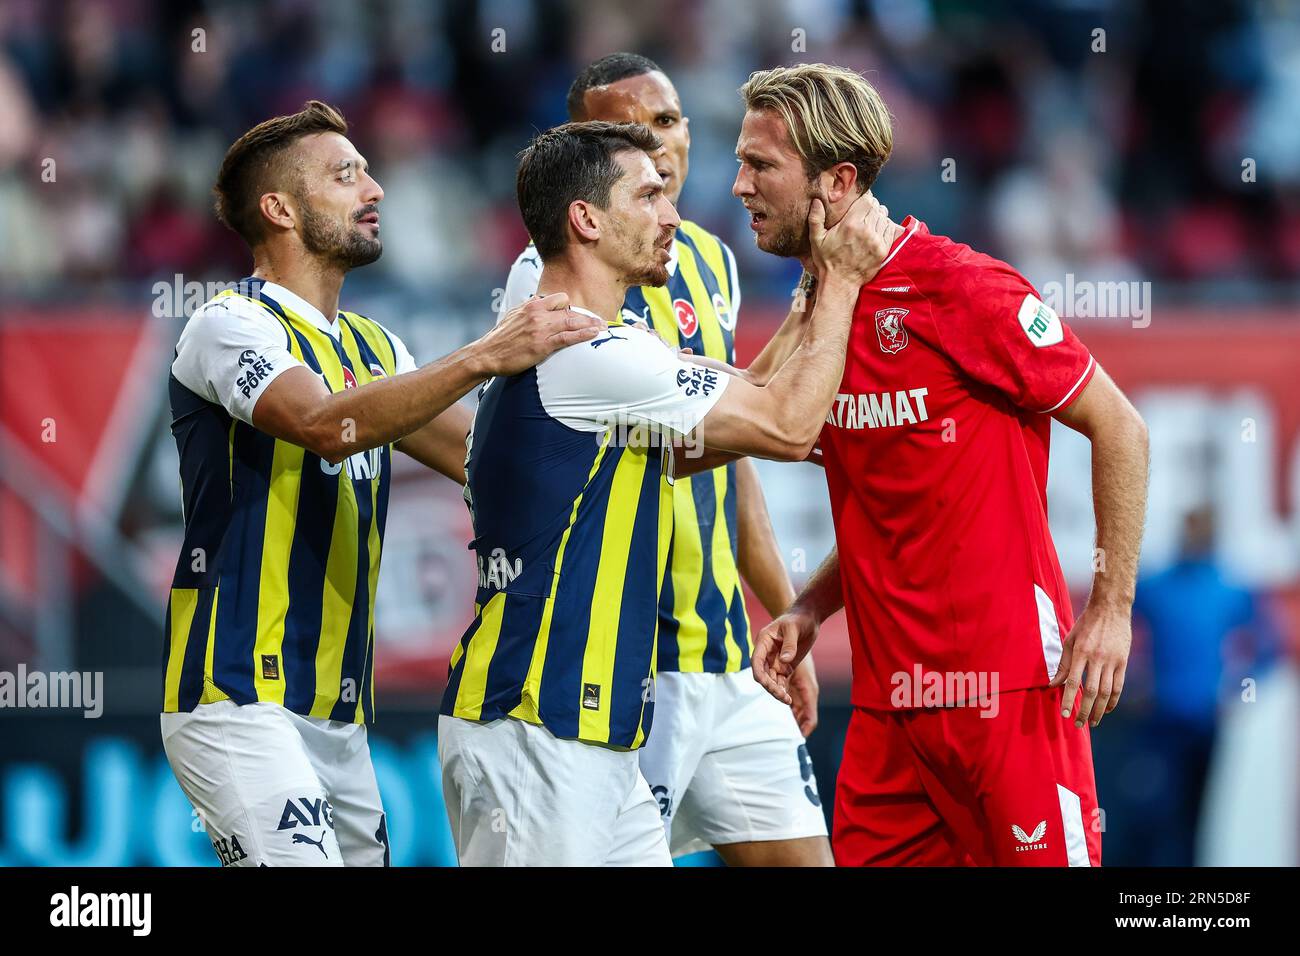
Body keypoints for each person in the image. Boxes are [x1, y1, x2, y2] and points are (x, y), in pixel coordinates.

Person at [161, 100, 604, 867]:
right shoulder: (226, 324)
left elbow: (482, 463)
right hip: (236, 699)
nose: (376, 189)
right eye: (346, 175)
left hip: (339, 716)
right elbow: (324, 425)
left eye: (368, 170)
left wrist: (628, 418)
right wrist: (485, 353)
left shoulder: (376, 345)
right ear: (279, 209)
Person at [438, 120, 891, 866]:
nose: (672, 212)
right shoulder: (592, 353)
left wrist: (814, 286)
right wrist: (842, 282)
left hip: (597, 733)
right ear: (585, 220)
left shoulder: (603, 350)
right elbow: (781, 426)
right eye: (646, 195)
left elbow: (745, 399)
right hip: (533, 725)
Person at [744, 64, 1150, 867]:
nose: (738, 185)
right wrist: (810, 608)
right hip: (888, 719)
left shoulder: (964, 290)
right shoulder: (828, 320)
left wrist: (1109, 610)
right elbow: (889, 502)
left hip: (1010, 700)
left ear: (838, 179)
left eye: (761, 165)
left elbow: (1121, 427)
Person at [501, 52, 833, 866]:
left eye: (668, 121)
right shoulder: (546, 288)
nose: (656, 146)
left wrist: (788, 617)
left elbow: (738, 450)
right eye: (624, 130)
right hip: (625, 662)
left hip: (725, 653)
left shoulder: (713, 262)